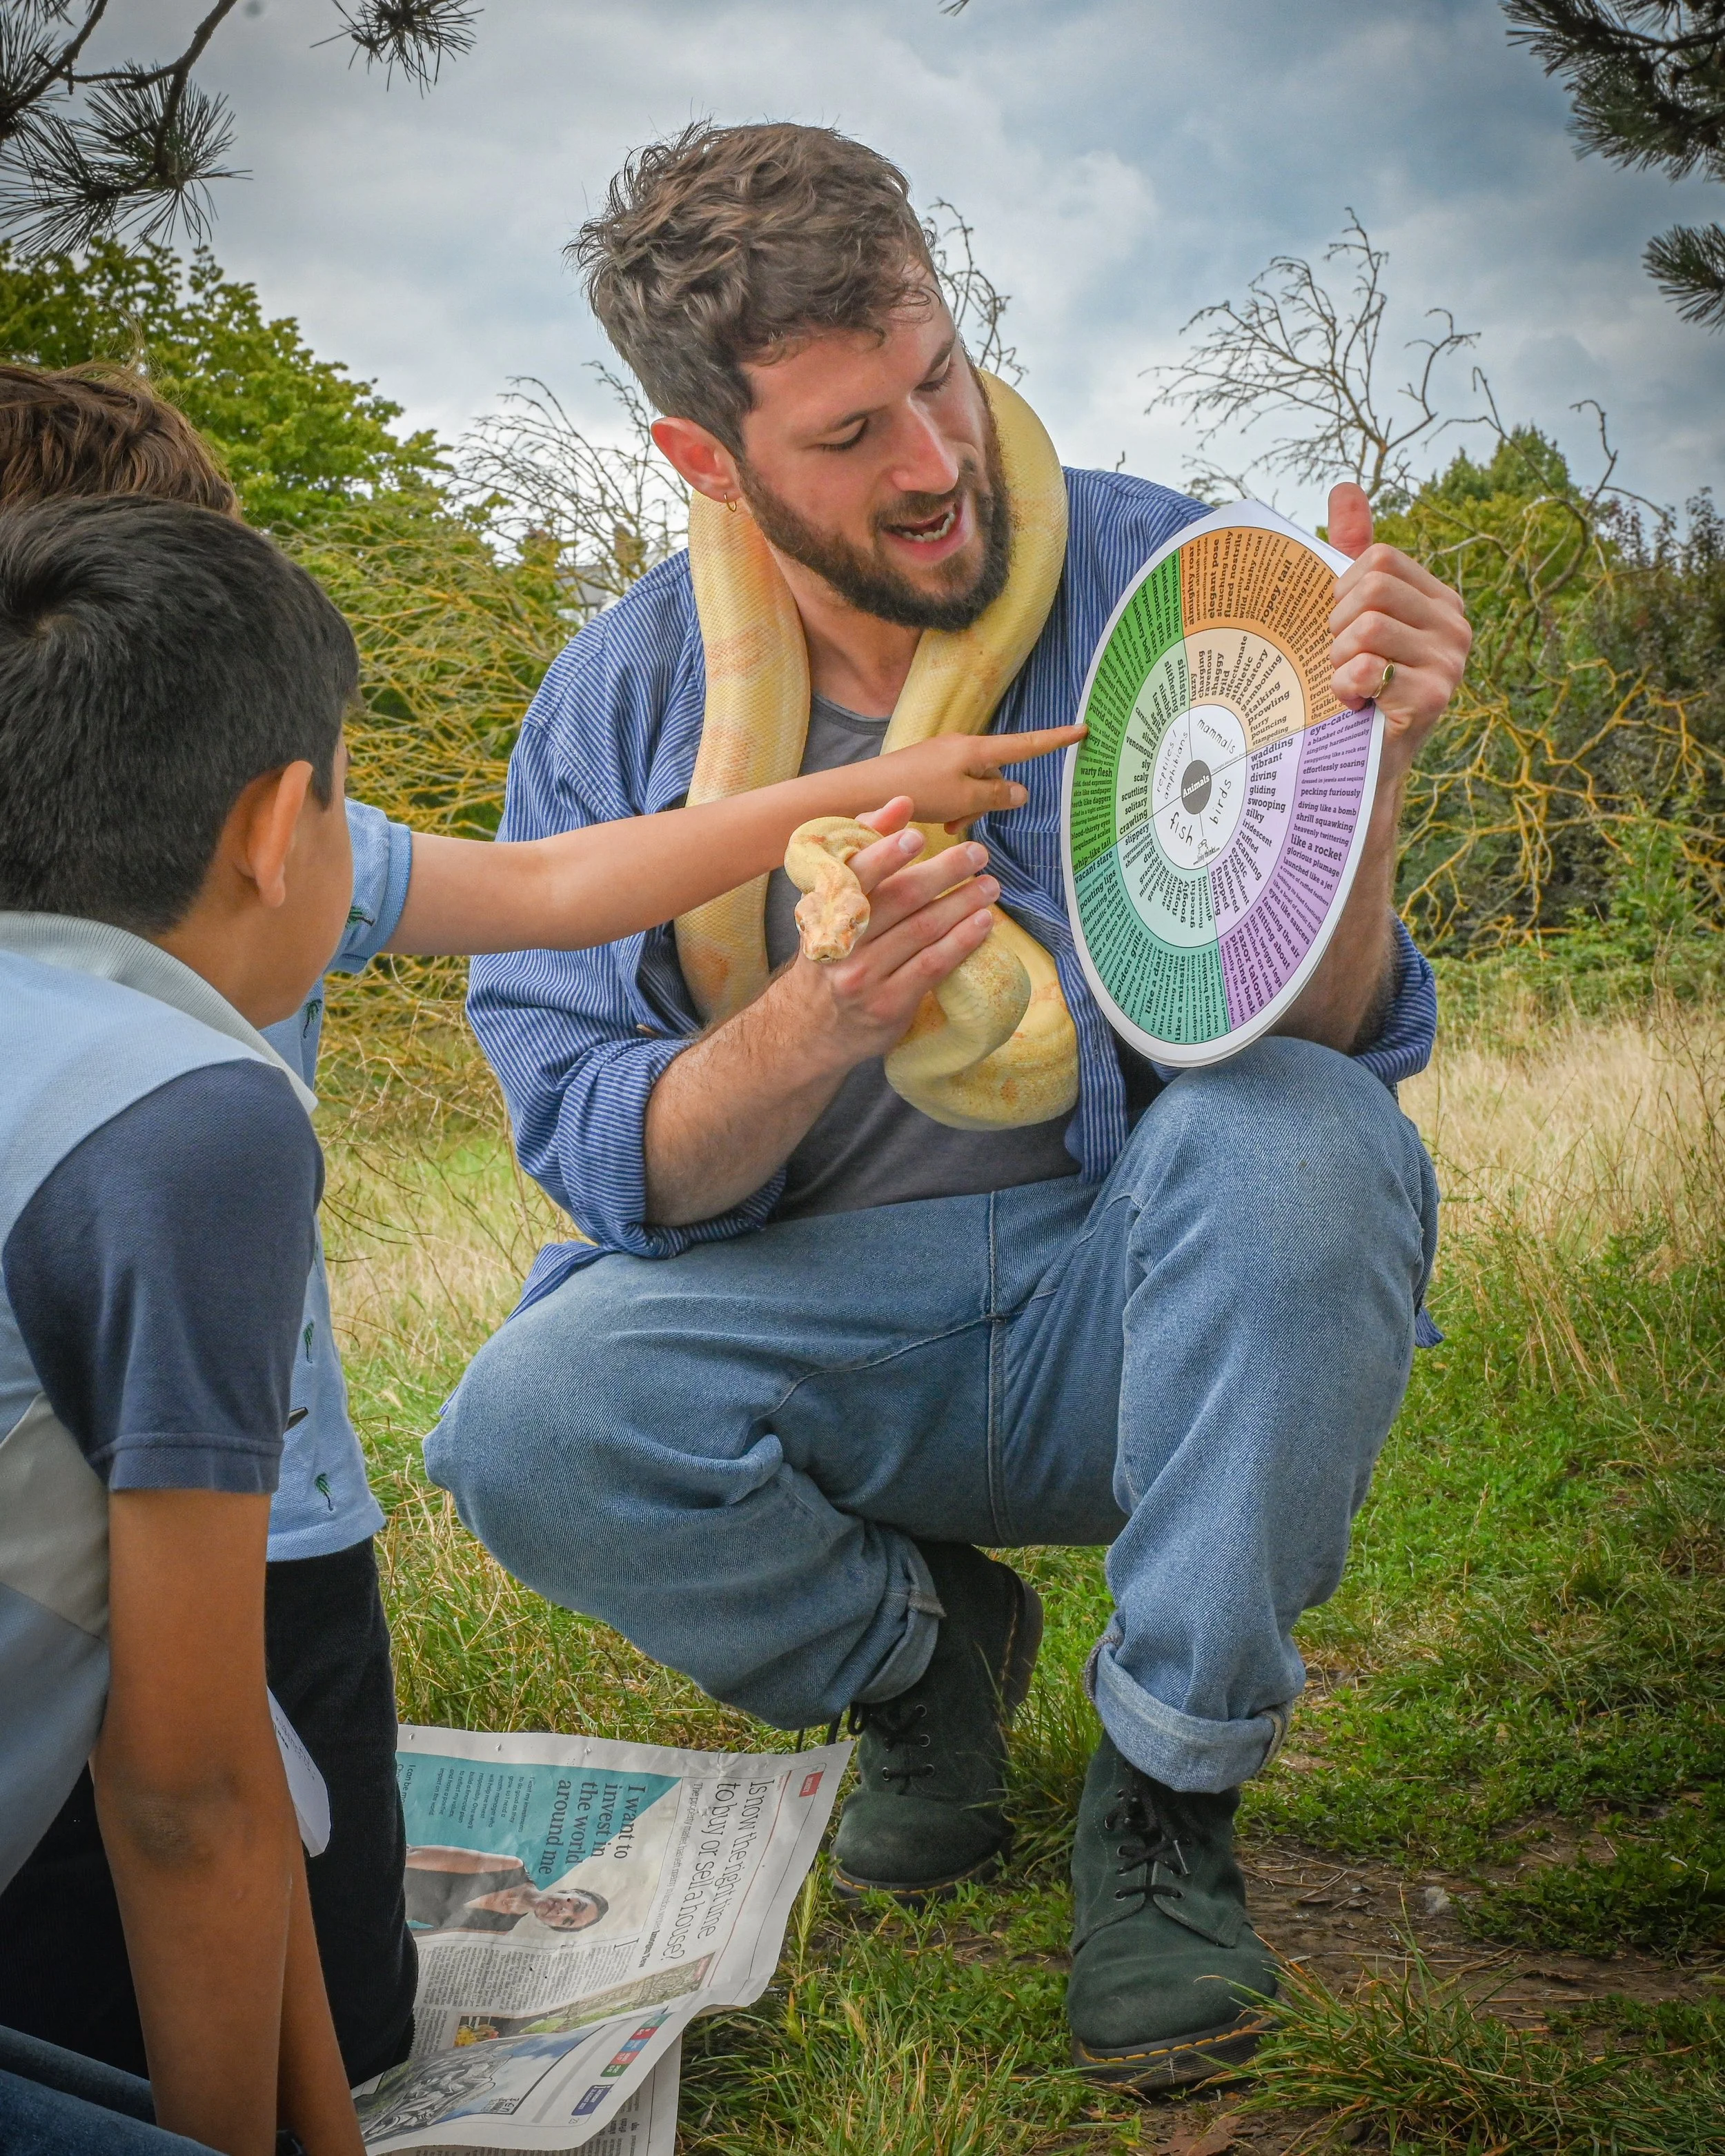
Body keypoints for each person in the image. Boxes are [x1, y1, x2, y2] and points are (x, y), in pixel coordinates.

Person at [428, 121, 1472, 2090]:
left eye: (939, 377)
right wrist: (819, 1016)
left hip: (1120, 1292)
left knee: (1312, 1139)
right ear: (705, 461)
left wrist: (1375, 769)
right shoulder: (616, 708)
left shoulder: (1176, 581)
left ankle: (1165, 1796)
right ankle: (921, 1663)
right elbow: (604, 1156)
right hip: (828, 1318)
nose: (933, 463)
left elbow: (1326, 1034)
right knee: (524, 1423)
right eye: (848, 435)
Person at [0, 363, 1077, 2092]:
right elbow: (185, 1798)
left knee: (317, 2005)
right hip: (129, 1539)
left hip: (266, 1521)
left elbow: (565, 883)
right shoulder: (194, 1101)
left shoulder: (248, 854)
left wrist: (862, 783)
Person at [402, 1850, 608, 1936]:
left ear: (555, 1927)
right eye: (576, 1905)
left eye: (567, 1921)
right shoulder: (512, 1867)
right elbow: (412, 1857)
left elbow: (430, 1935)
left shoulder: (503, 1927)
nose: (563, 1912)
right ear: (571, 1892)